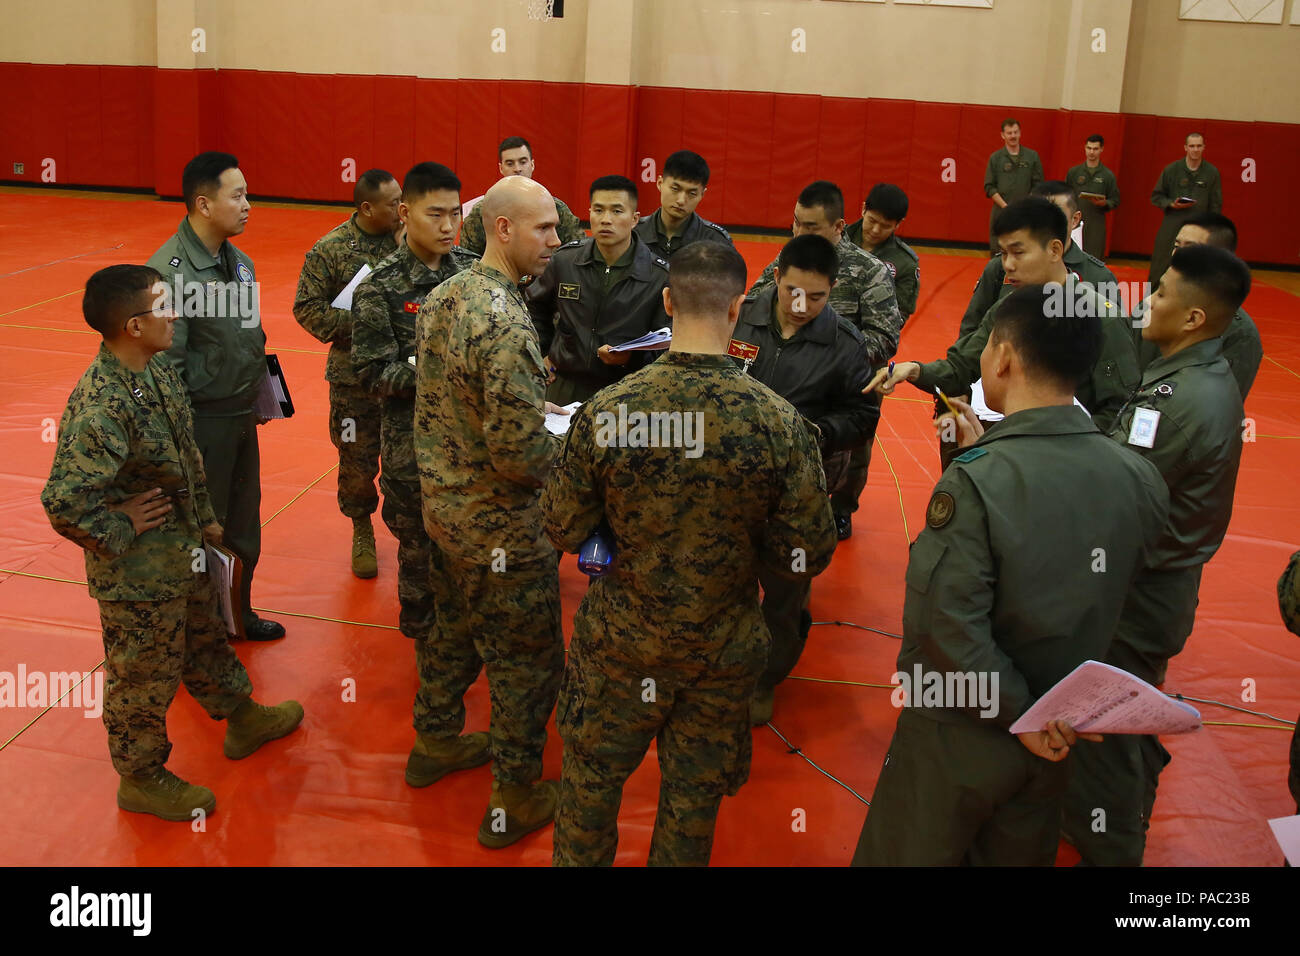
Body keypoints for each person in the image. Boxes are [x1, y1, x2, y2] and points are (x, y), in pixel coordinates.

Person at [852, 284, 1170, 866]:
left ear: (1001, 357)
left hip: (960, 732)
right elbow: (1129, 600)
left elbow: (946, 624)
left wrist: (1021, 713)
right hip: (1059, 732)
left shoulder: (979, 480)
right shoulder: (1139, 476)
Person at [544, 242, 837, 866]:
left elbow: (562, 526)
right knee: (690, 808)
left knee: (589, 791)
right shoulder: (779, 424)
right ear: (737, 309)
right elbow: (807, 551)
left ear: (668, 302)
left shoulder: (609, 411)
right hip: (721, 651)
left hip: (620, 645)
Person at [41, 265, 304, 822]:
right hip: (138, 576)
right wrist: (123, 524)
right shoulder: (103, 406)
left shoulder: (155, 369)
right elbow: (65, 502)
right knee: (143, 674)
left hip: (183, 550)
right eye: (163, 307)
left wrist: (205, 522)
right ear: (134, 326)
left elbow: (184, 455)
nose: (175, 314)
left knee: (204, 638)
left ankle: (241, 717)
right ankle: (139, 778)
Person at [1062, 244, 1251, 867]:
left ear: (1194, 317)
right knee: (1121, 716)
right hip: (1155, 581)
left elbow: (1117, 490)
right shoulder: (1198, 375)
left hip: (1142, 591)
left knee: (1113, 727)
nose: (1149, 301)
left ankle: (1114, 849)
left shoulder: (1180, 400)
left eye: (1162, 292)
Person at [413, 176, 568, 848]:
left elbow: (452, 397)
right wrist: (573, 453)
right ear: (503, 228)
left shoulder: (447, 293)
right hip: (502, 530)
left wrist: (531, 409)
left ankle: (434, 740)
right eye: (545, 228)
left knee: (451, 631)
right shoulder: (505, 320)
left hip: (445, 512)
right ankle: (515, 794)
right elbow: (521, 457)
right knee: (526, 663)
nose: (556, 241)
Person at [731, 235, 874, 724]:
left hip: (798, 490)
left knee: (785, 589)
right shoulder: (739, 317)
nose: (801, 305)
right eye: (793, 292)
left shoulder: (845, 344)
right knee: (721, 577)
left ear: (832, 289)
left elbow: (863, 415)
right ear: (776, 277)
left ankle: (766, 678)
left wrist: (820, 433)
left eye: (816, 297)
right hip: (729, 482)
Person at [871, 198, 1140, 458]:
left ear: (1055, 250)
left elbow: (1120, 409)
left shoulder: (1100, 316)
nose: (1008, 265)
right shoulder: (1009, 309)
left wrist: (1069, 454)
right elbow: (962, 366)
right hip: (1012, 448)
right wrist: (914, 370)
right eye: (1004, 253)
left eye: (1018, 253)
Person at [146, 152, 284, 641]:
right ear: (203, 204)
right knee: (202, 529)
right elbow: (166, 368)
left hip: (241, 415)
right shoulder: (169, 275)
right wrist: (182, 445)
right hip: (202, 423)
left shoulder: (239, 264)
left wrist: (264, 395)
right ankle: (197, 631)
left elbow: (250, 337)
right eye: (238, 195)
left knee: (243, 525)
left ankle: (236, 615)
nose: (248, 205)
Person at [351, 165, 477, 689]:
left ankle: (464, 644)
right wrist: (436, 369)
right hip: (415, 451)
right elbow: (370, 371)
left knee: (469, 553)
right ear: (405, 214)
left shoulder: (474, 273)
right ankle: (428, 665)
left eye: (455, 214)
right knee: (420, 554)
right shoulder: (379, 287)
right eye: (435, 214)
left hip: (473, 447)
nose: (448, 226)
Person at [749, 180, 902, 540]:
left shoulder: (869, 271)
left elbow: (885, 336)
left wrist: (831, 357)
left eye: (811, 226)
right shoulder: (786, 261)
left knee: (850, 453)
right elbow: (752, 308)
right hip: (783, 376)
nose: (800, 232)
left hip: (845, 380)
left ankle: (841, 508)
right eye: (796, 223)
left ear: (838, 227)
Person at [292, 168, 401, 579]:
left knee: (407, 460)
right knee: (356, 460)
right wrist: (367, 323)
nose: (401, 209)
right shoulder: (331, 249)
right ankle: (361, 528)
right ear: (367, 208)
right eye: (393, 203)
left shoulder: (409, 241)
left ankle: (411, 533)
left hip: (401, 375)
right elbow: (307, 308)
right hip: (353, 381)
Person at [526, 174, 670, 404]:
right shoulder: (565, 261)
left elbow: (667, 342)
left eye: (617, 211)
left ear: (635, 219)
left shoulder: (658, 276)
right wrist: (542, 353)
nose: (605, 219)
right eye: (598, 210)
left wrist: (631, 359)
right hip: (564, 386)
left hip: (625, 391)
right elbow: (535, 308)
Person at [958, 180, 1116, 341]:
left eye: (1054, 214)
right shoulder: (1000, 267)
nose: (1042, 222)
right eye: (1034, 215)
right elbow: (970, 330)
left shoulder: (1098, 277)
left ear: (1075, 219)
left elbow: (1112, 338)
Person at [1135, 212, 1261, 401]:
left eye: (1190, 249)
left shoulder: (1240, 335)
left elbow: (1220, 404)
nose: (1177, 256)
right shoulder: (1152, 305)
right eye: (1176, 246)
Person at [457, 136, 585, 255]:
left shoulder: (556, 208)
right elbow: (466, 258)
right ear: (501, 168)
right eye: (510, 163)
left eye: (523, 162)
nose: (517, 169)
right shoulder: (483, 211)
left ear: (532, 165)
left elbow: (578, 253)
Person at [1147, 132, 1222, 289]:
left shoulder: (1211, 173)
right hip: (1172, 225)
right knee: (1160, 265)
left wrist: (1210, 229)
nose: (1195, 149)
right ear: (1185, 148)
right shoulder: (1172, 170)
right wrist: (1171, 204)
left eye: (1199, 146)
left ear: (1204, 148)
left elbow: (1215, 204)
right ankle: (1151, 300)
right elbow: (1156, 196)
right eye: (1192, 146)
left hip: (1197, 227)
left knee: (1196, 269)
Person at [631, 149, 733, 259]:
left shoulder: (716, 241)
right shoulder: (632, 233)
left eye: (692, 193)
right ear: (660, 183)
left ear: (702, 194)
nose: (681, 200)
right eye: (675, 189)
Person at [845, 183, 920, 324]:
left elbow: (900, 314)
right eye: (872, 220)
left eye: (886, 226)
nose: (875, 230)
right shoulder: (837, 239)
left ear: (898, 224)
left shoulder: (905, 263)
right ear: (863, 209)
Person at [984, 118, 1044, 255]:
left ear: (1020, 133)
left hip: (1025, 214)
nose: (1013, 136)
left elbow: (1038, 186)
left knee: (1023, 251)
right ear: (1002, 135)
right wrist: (1005, 207)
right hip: (1001, 212)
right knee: (998, 251)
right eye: (1009, 133)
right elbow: (989, 187)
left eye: (1015, 132)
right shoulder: (995, 158)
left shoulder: (1032, 156)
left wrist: (1024, 206)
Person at [1065, 134, 1120, 260]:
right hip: (1075, 222)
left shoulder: (1107, 176)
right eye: (1089, 148)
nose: (1091, 152)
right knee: (1071, 257)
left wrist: (1105, 203)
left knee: (1093, 258)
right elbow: (1065, 195)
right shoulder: (1074, 172)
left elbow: (1115, 200)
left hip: (1096, 223)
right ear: (1084, 148)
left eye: (1095, 149)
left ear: (1101, 149)